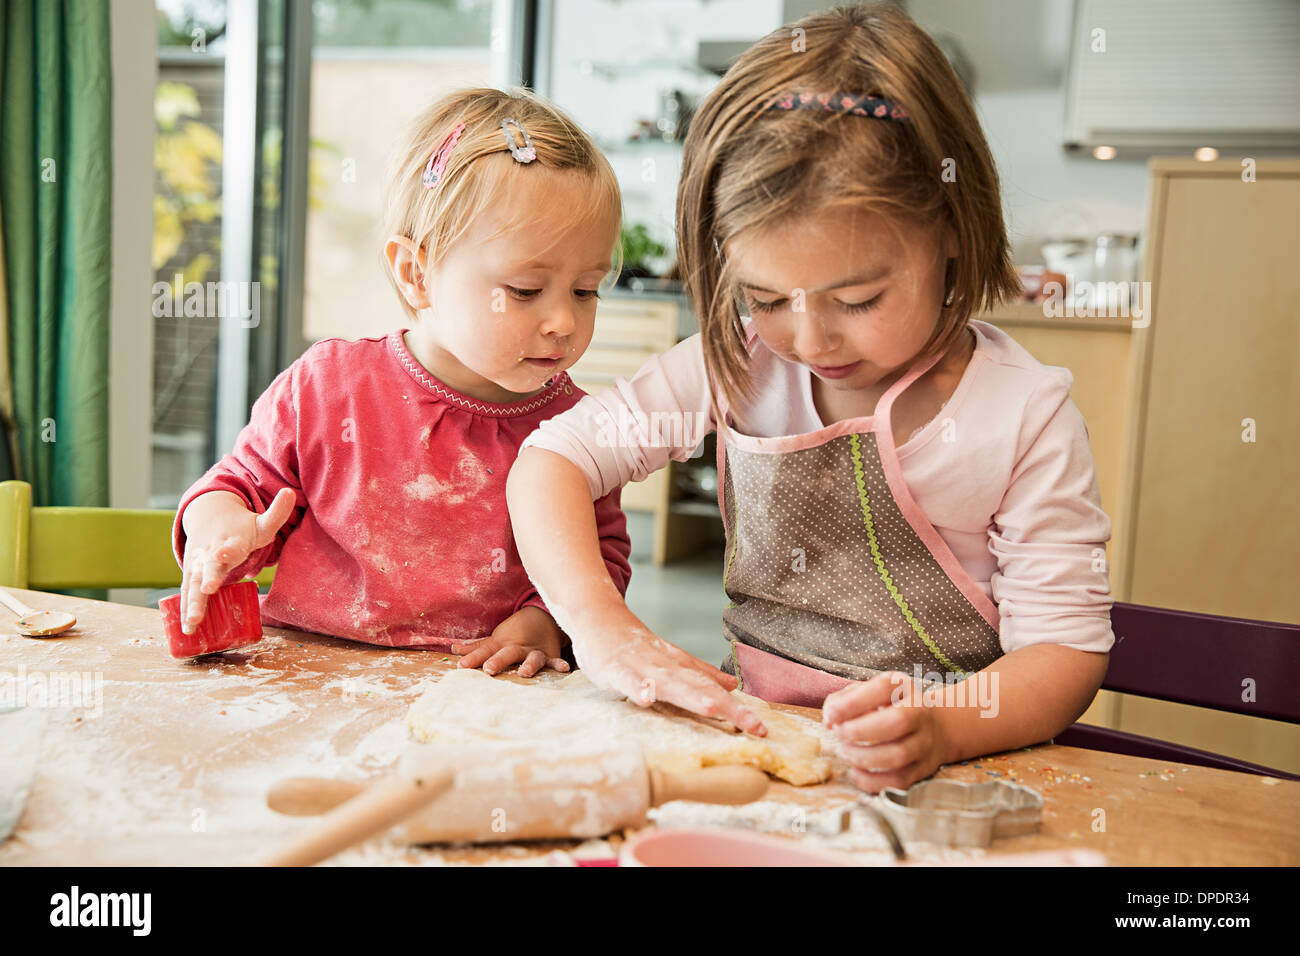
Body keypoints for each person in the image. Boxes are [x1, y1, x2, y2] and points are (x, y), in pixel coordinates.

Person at [506, 5, 1112, 790]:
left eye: (856, 300)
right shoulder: (738, 363)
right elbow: (552, 459)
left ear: (953, 229)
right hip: (756, 750)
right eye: (764, 297)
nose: (810, 339)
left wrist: (945, 726)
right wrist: (602, 628)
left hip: (945, 774)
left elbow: (1063, 655)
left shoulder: (1022, 416)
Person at [172, 87, 630, 677]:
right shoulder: (327, 387)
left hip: (477, 696)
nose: (564, 321)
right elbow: (238, 488)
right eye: (524, 290)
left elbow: (602, 559)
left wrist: (547, 620)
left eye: (586, 290)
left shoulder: (579, 432)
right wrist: (220, 527)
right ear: (417, 274)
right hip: (309, 680)